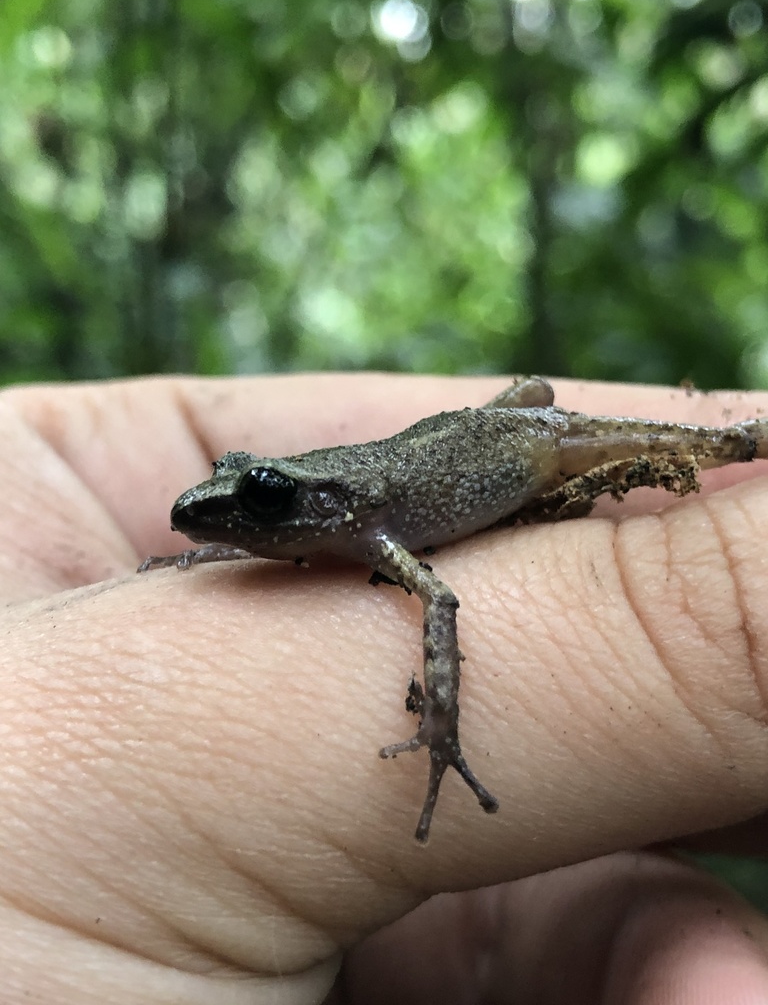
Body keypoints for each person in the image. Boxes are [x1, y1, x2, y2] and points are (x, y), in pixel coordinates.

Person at [1, 373, 767, 1004]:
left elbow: (439, 598)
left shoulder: (369, 525)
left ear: (325, 500)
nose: (240, 511)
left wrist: (443, 723)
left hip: (534, 443)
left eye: (268, 495)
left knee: (724, 445)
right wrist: (226, 545)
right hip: (473, 442)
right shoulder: (336, 521)